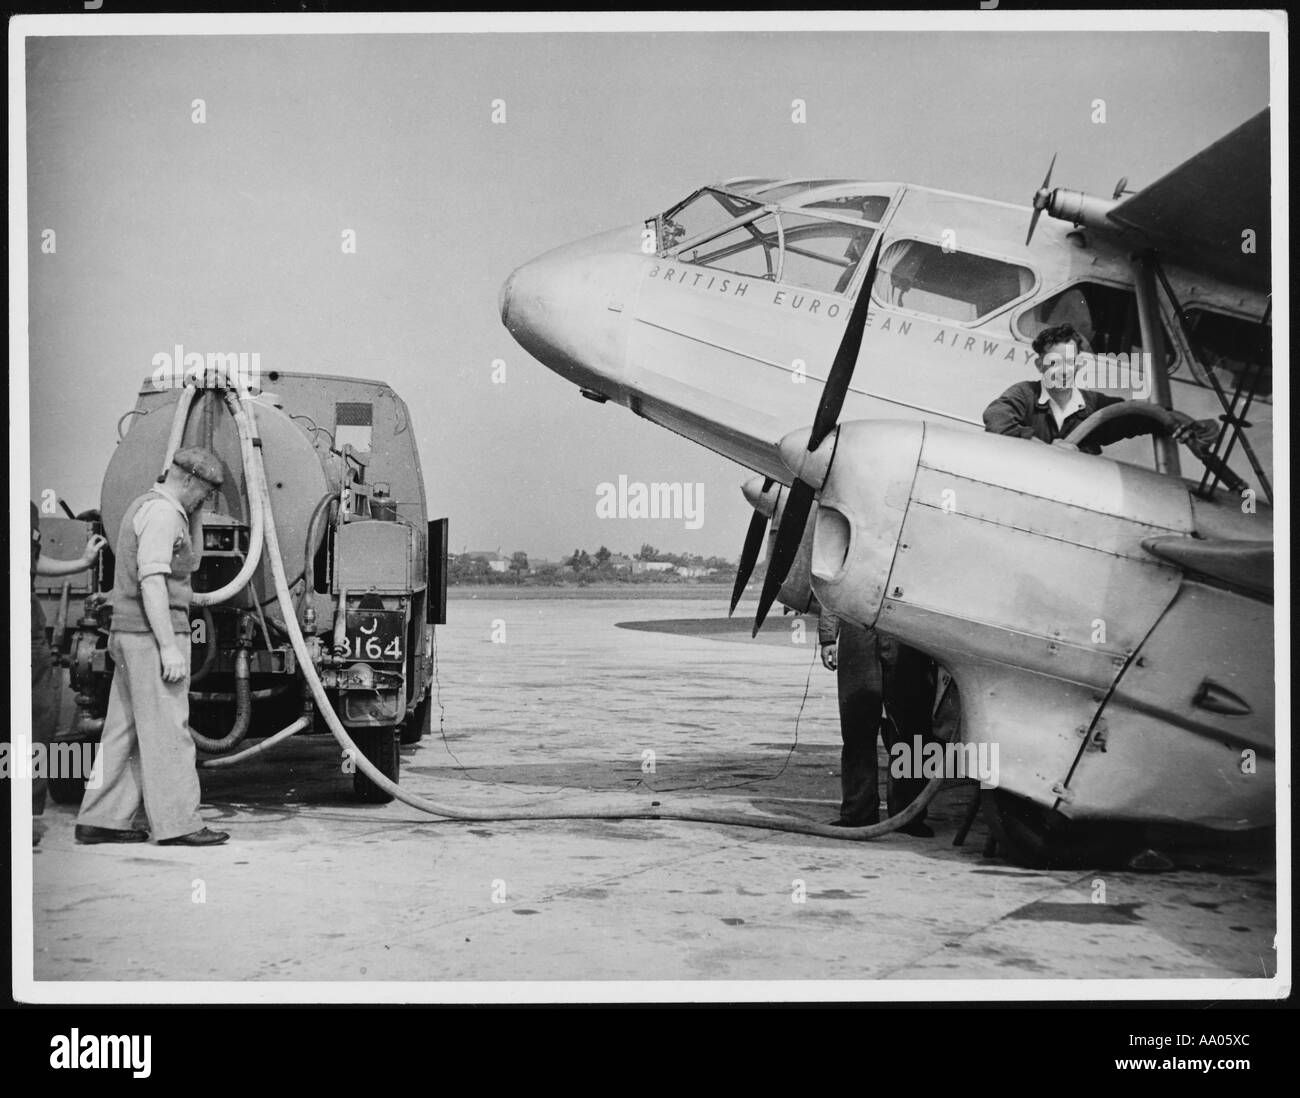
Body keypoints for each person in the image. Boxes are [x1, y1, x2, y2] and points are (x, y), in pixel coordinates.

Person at [75, 447, 230, 847]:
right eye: (205, 492)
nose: (206, 502)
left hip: (128, 635)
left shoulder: (148, 507)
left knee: (122, 731)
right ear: (190, 481)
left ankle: (102, 818)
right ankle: (179, 824)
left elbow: (177, 566)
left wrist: (190, 514)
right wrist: (169, 647)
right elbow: (152, 581)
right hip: (150, 636)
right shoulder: (162, 515)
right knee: (168, 732)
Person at [982, 323, 1218, 453]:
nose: (1062, 371)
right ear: (1039, 365)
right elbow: (997, 419)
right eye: (1053, 363)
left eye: (1069, 363)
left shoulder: (1095, 406)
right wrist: (1046, 450)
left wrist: (1192, 425)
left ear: (1079, 365)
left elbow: (1143, 416)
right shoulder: (1024, 393)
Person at [819, 607, 937, 837]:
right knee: (856, 725)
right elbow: (830, 581)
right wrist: (827, 637)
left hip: (907, 633)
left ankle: (909, 816)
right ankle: (857, 813)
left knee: (911, 728)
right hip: (858, 629)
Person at [29, 503, 107, 843]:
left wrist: (81, 563)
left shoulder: (27, 509)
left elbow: (29, 563)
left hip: (27, 624)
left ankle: (28, 812)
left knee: (39, 717)